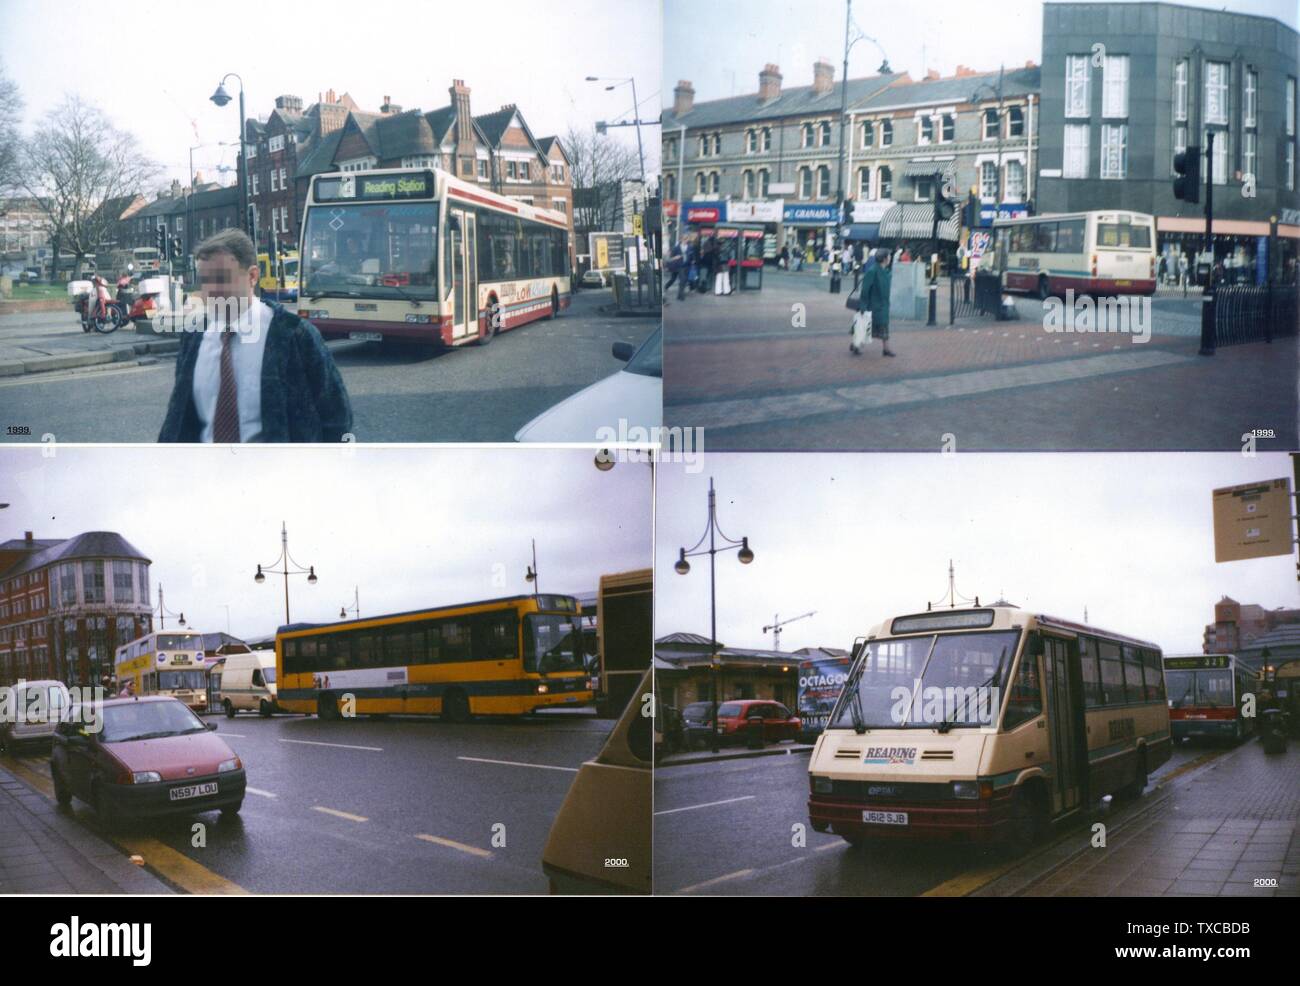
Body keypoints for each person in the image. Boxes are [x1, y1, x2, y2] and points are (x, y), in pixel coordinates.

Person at [158, 228, 353, 443]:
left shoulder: (295, 336)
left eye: (221, 279)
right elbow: (178, 418)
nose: (210, 290)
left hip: (278, 473)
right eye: (205, 280)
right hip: (207, 472)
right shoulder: (193, 337)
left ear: (252, 276)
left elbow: (336, 417)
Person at [855, 247, 894, 357]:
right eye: (889, 256)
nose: (890, 258)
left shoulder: (886, 271)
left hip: (883, 305)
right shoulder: (872, 271)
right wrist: (863, 305)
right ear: (885, 258)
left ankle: (886, 348)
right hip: (874, 305)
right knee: (869, 326)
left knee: (884, 327)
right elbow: (865, 290)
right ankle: (857, 345)